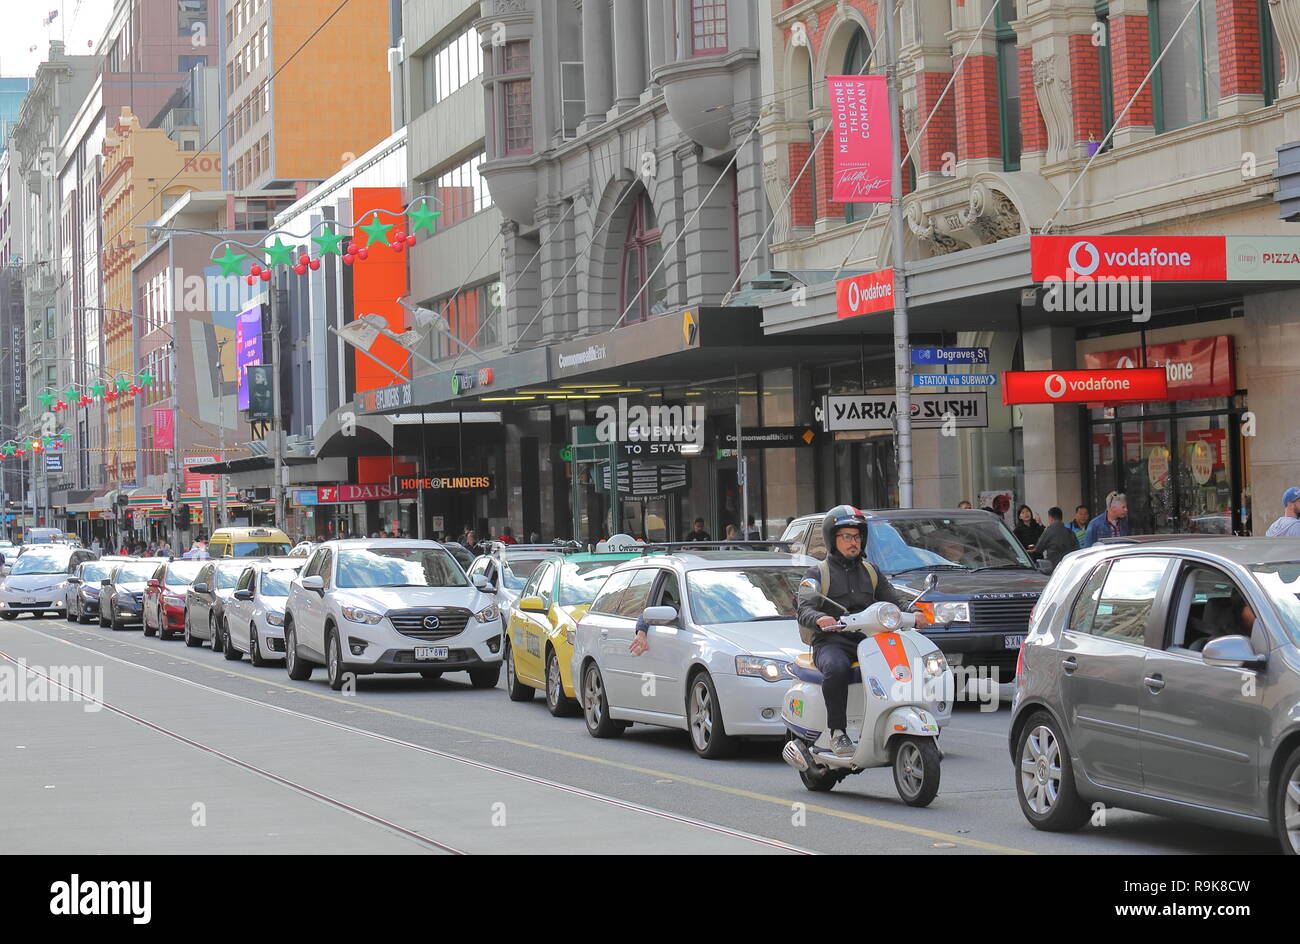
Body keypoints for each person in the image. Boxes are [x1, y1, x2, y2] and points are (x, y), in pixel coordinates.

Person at [795, 506, 927, 758]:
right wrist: (821, 618)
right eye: (846, 536)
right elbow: (804, 608)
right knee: (836, 667)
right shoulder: (818, 573)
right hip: (833, 641)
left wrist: (914, 613)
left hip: (870, 639)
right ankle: (837, 732)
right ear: (833, 539)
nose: (853, 542)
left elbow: (893, 601)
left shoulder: (871, 571)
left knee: (905, 663)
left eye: (856, 537)